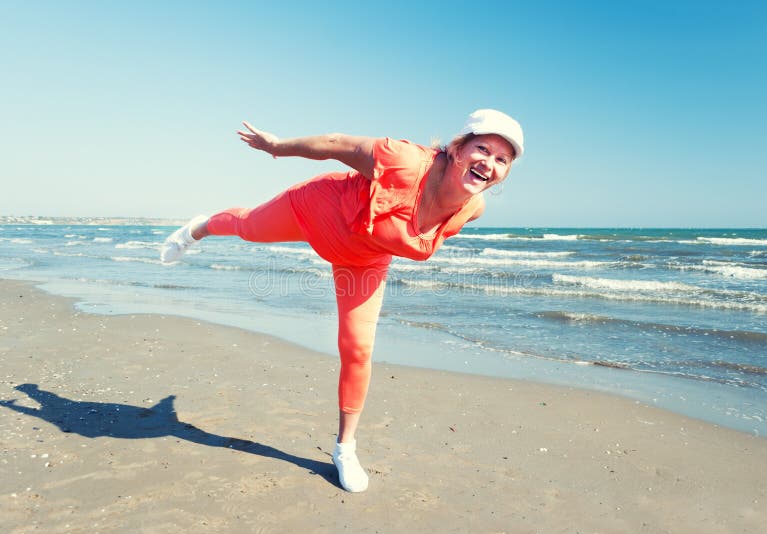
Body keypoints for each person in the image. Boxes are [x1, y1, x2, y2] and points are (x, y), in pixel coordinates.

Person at [160, 109, 524, 492]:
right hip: (316, 211)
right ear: (456, 148)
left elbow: (407, 233)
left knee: (358, 350)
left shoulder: (472, 209)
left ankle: (344, 449)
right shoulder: (401, 160)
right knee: (248, 226)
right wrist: (276, 147)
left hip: (361, 259)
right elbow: (336, 144)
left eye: (502, 160)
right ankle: (198, 228)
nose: (489, 163)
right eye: (482, 148)